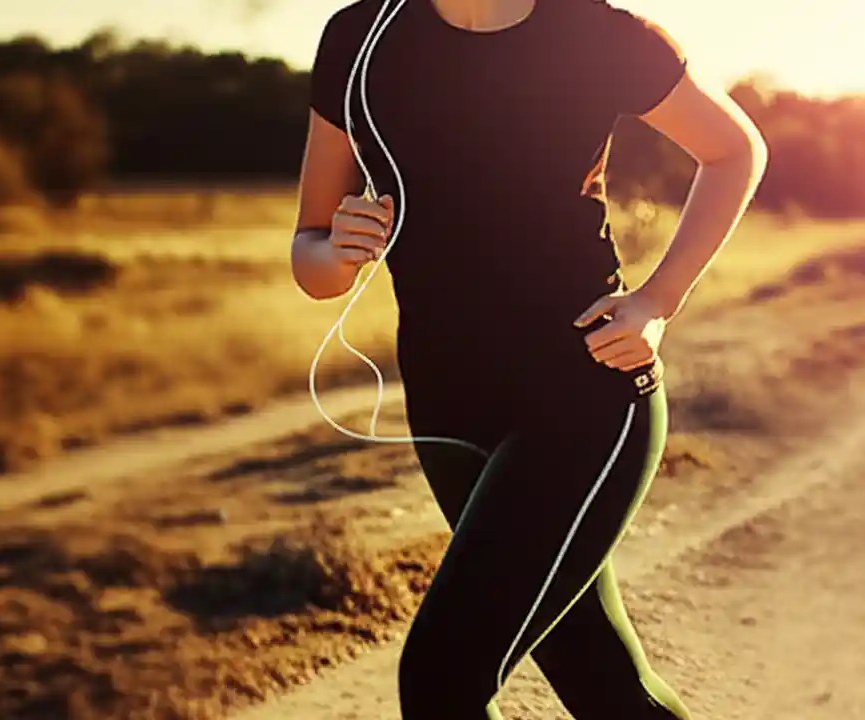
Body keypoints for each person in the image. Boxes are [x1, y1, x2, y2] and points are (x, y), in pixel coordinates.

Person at [290, 0, 767, 716]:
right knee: (604, 684)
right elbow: (311, 254)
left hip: (585, 389)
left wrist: (657, 302)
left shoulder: (597, 32)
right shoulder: (359, 39)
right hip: (447, 407)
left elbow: (733, 151)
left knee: (441, 679)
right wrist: (342, 248)